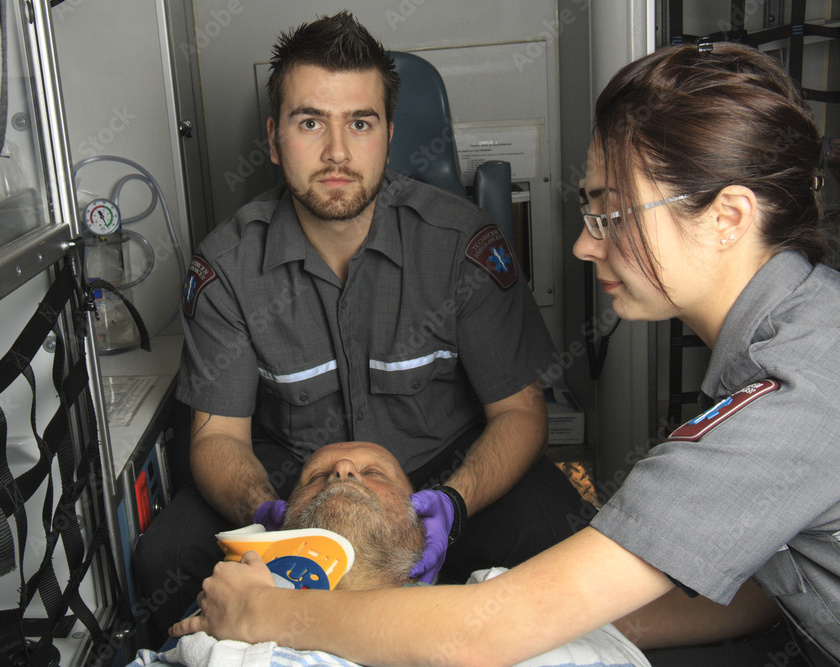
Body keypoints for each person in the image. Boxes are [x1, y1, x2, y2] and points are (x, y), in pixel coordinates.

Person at [170, 41, 840, 666]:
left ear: (727, 218)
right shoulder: (806, 325)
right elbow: (760, 589)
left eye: (610, 211)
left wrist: (275, 611)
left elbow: (482, 632)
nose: (582, 243)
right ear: (274, 136)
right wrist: (532, 609)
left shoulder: (788, 397)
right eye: (589, 207)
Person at [133, 10, 591, 645]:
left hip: (441, 469)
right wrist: (271, 518)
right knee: (167, 562)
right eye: (310, 121)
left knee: (561, 536)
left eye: (361, 123)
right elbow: (217, 439)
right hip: (297, 481)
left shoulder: (462, 246)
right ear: (274, 138)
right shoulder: (228, 267)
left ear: (390, 133)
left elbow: (519, 413)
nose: (337, 153)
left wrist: (453, 506)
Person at [128, 443, 648, 667]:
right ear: (279, 525)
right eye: (316, 479)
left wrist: (261, 613)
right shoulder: (216, 618)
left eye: (375, 474)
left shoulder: (503, 595)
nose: (345, 471)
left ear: (425, 534)